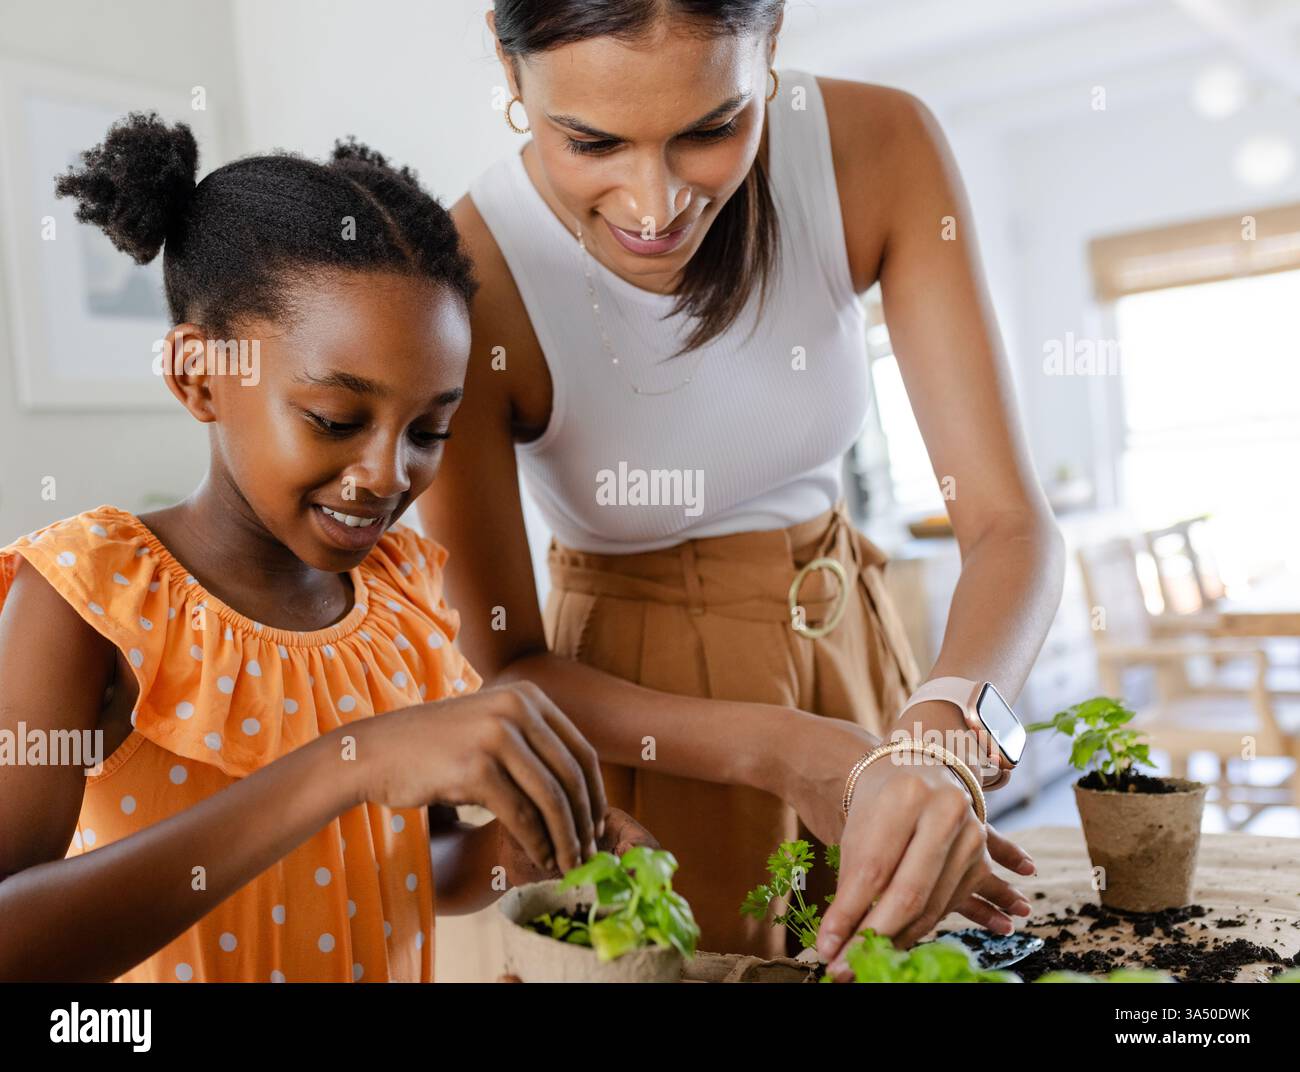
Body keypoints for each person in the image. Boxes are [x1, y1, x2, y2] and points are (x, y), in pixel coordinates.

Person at [418, 0, 1061, 970]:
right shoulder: (464, 278)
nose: (654, 204)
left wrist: (943, 732)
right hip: (647, 721)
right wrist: (776, 746)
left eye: (713, 128)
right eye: (590, 142)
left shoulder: (876, 143)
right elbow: (503, 669)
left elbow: (1010, 526)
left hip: (863, 653)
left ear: (769, 46)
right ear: (513, 82)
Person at [0, 113, 616, 982]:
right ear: (198, 375)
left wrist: (519, 853)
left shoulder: (401, 596)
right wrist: (346, 765)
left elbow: (412, 862)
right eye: (335, 420)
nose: (385, 474)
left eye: (430, 429)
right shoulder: (93, 596)